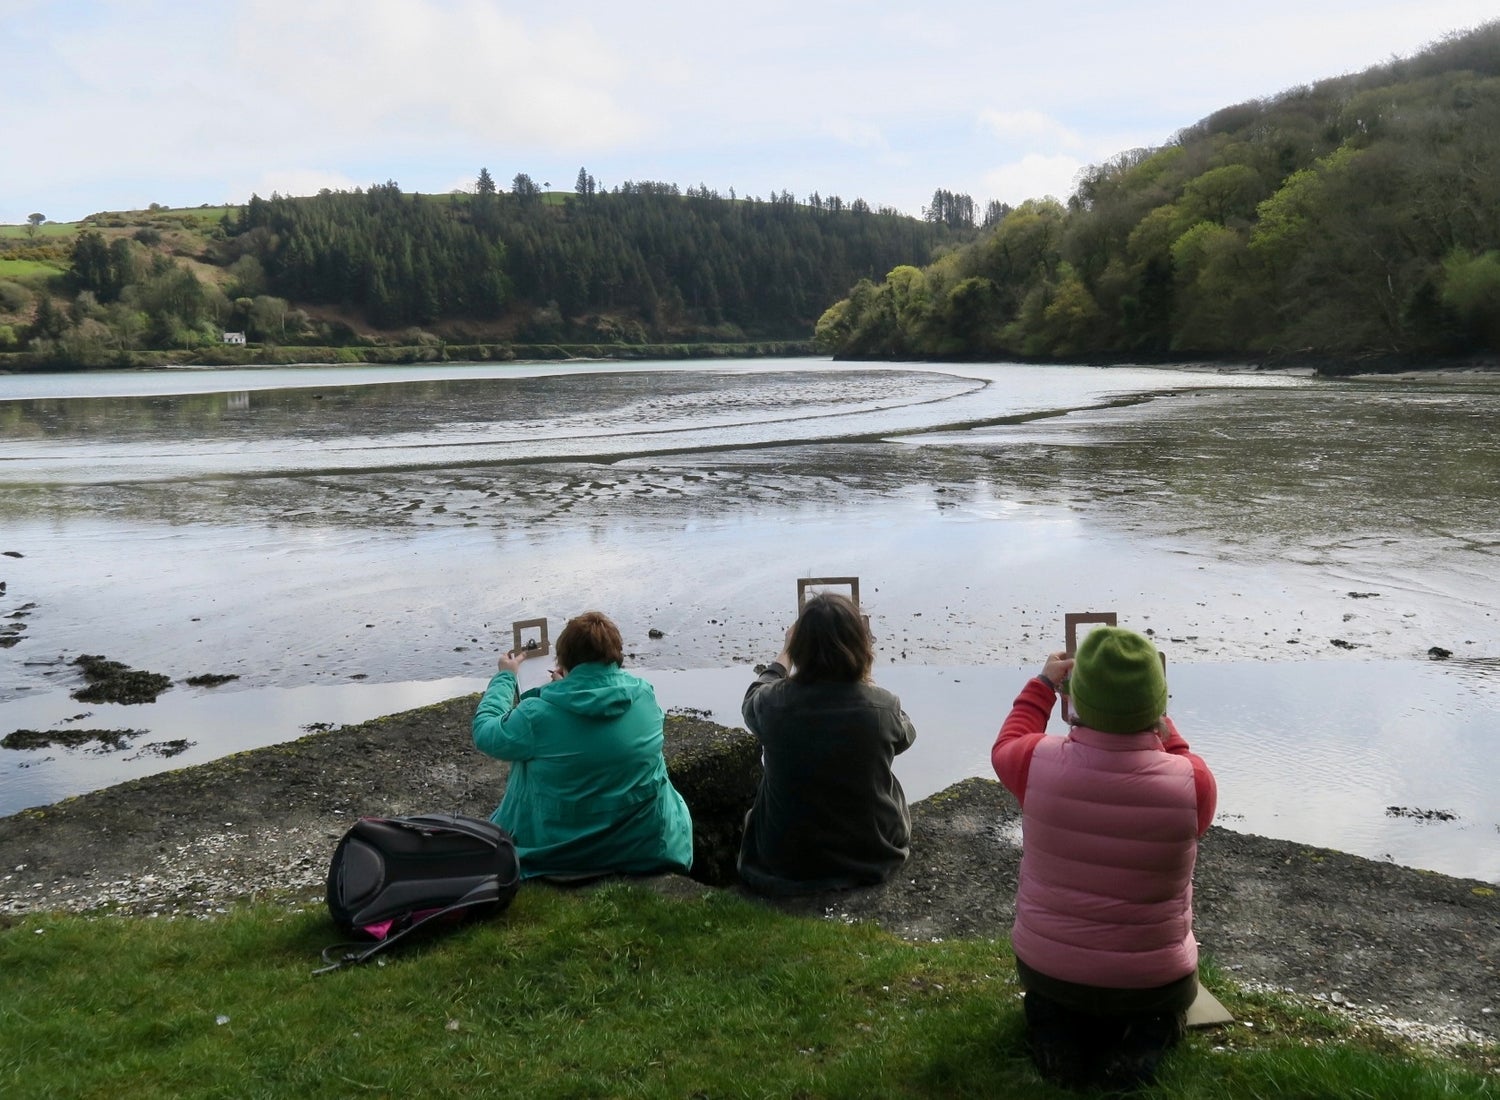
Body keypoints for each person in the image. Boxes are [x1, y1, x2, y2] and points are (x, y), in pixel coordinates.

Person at [991, 626, 1217, 1091]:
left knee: (1052, 1001)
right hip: (1153, 983)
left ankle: (1054, 1032)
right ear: (1158, 704)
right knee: (1159, 1006)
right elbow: (1181, 759)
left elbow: (1006, 744)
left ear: (1078, 700)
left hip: (1050, 971)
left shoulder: (1036, 763)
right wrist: (1162, 725)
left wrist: (1043, 684)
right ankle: (1147, 1038)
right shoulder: (1192, 782)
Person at [472, 611, 693, 881]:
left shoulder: (536, 715)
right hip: (644, 845)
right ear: (616, 654)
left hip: (557, 854)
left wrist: (506, 678)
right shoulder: (644, 696)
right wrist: (569, 690)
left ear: (563, 660)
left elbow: (484, 731)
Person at [738, 592, 915, 895]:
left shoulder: (771, 705)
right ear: (861, 644)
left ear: (799, 646)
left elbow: (753, 697)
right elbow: (905, 736)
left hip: (784, 861)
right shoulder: (883, 707)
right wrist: (863, 674)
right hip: (871, 856)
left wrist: (784, 655)